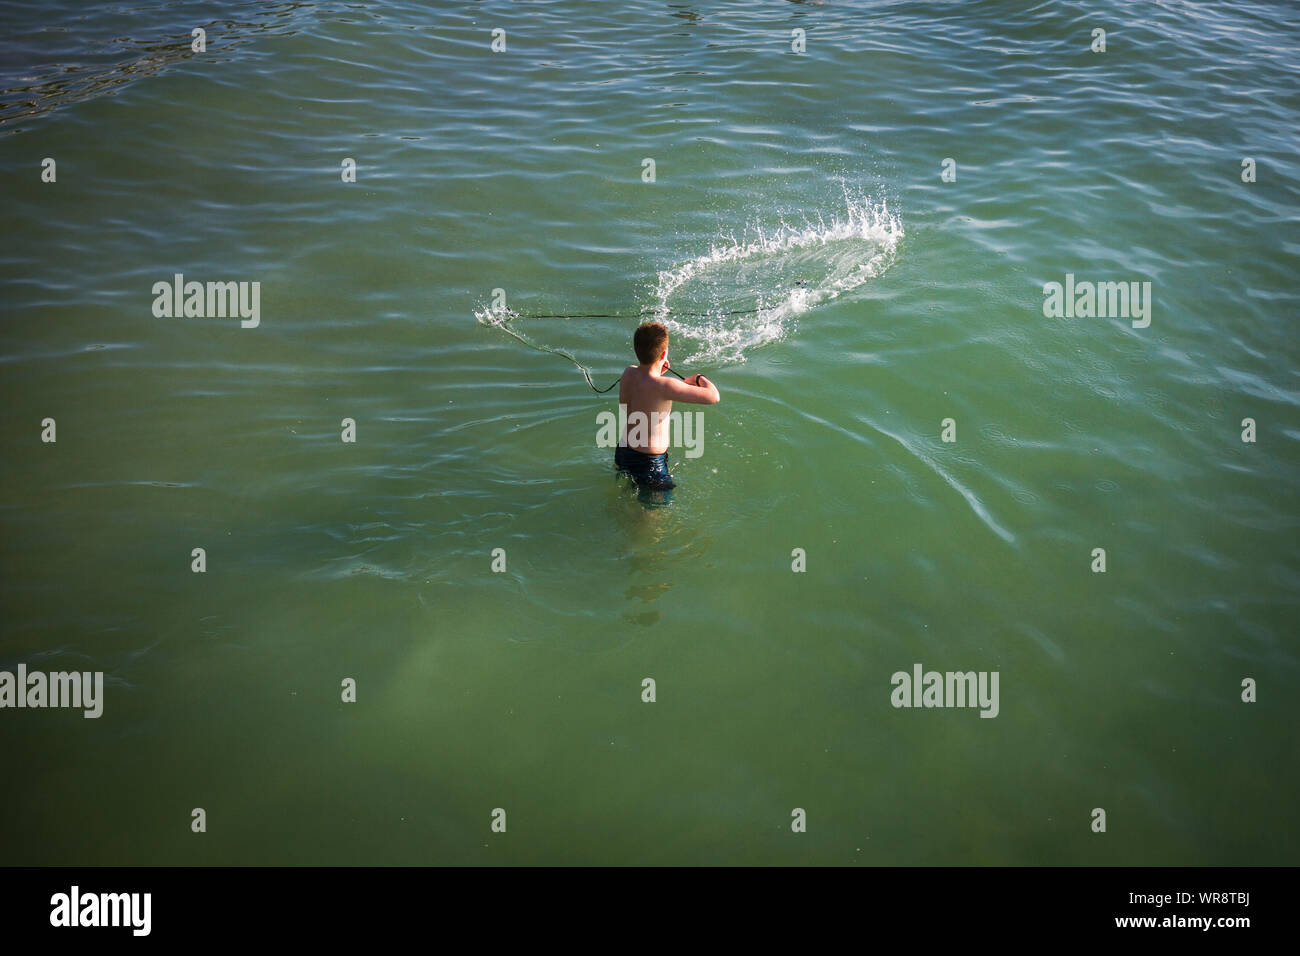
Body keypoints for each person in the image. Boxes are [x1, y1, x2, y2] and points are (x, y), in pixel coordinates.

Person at [615, 322, 720, 490]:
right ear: (664, 354)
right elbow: (714, 396)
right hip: (649, 462)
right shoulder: (665, 386)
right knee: (655, 512)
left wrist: (657, 373)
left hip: (623, 451)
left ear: (636, 349)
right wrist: (699, 378)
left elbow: (633, 399)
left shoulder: (628, 373)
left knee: (628, 492)